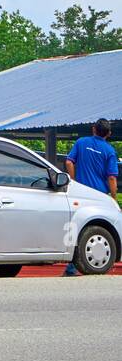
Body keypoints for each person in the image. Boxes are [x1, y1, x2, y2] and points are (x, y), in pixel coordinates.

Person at [63, 118, 119, 276]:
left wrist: (73, 182)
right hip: (100, 196)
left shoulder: (81, 142)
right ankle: (96, 262)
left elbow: (69, 162)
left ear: (94, 129)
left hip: (81, 194)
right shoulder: (109, 151)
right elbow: (112, 177)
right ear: (108, 133)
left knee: (77, 228)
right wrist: (113, 198)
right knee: (98, 229)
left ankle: (71, 267)